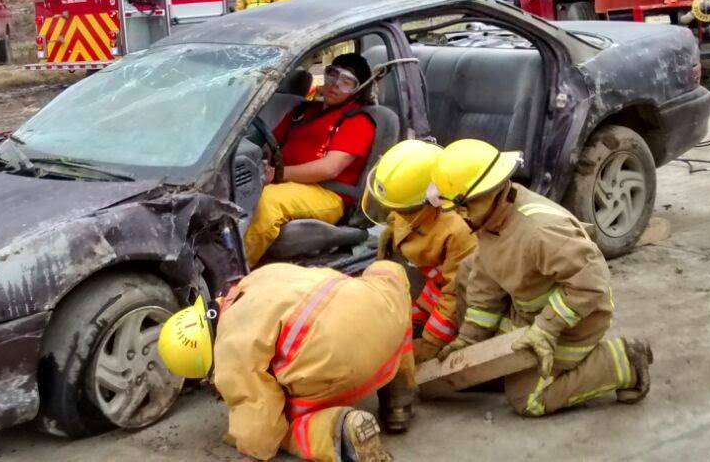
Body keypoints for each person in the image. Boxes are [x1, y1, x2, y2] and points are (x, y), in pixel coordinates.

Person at [432, 139, 652, 417]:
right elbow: (487, 275)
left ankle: (623, 361)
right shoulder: (492, 217)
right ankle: (507, 360)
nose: (460, 216)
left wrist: (546, 329)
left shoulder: (540, 231)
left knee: (527, 399)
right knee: (469, 269)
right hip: (530, 309)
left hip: (577, 320)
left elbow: (591, 283)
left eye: (463, 208)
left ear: (489, 192)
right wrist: (470, 339)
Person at [158, 261, 413, 462]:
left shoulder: (230, 351)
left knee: (278, 425)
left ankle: (339, 429)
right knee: (390, 272)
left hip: (347, 361)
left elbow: (259, 433)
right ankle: (398, 400)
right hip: (383, 314)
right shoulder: (254, 280)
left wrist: (240, 436)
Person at [243, 53, 376, 266]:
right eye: (332, 75)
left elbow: (330, 168)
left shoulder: (357, 121)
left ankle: (234, 273)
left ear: (358, 89)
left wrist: (278, 174)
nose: (335, 86)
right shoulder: (303, 111)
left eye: (347, 82)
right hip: (285, 183)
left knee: (267, 201)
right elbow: (267, 144)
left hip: (327, 193)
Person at [366, 139, 477, 367]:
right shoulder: (409, 199)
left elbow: (455, 293)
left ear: (435, 198)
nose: (395, 214)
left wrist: (430, 342)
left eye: (403, 209)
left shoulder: (458, 231)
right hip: (429, 286)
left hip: (458, 298)